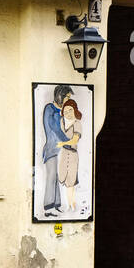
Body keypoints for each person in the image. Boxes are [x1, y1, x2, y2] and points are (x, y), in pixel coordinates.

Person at [40, 84, 73, 217]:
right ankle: (48, 208)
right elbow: (55, 128)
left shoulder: (58, 110)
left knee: (56, 176)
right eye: (67, 97)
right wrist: (67, 142)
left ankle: (56, 204)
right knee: (51, 176)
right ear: (60, 96)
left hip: (57, 148)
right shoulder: (50, 109)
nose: (68, 100)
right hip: (51, 148)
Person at [57, 98, 83, 212]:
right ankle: (68, 204)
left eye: (70, 110)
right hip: (63, 154)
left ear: (75, 110)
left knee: (71, 182)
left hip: (72, 155)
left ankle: (72, 205)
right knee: (62, 178)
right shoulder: (61, 122)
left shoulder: (77, 124)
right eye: (65, 110)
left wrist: (63, 143)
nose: (68, 113)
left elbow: (75, 140)